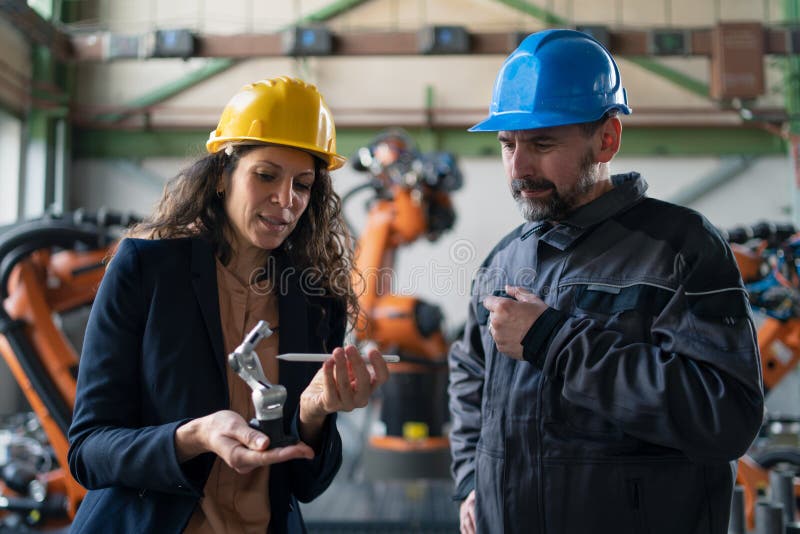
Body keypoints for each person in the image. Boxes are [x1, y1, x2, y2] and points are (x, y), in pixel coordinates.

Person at [448, 29, 764, 534]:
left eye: (542, 142)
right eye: (508, 144)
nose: (519, 167)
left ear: (607, 138)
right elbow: (468, 374)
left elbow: (725, 418)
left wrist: (554, 340)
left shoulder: (681, 248)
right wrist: (470, 481)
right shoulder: (505, 260)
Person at [67, 76, 390, 533]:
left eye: (303, 184)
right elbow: (88, 450)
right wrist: (193, 437)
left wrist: (315, 415)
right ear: (222, 175)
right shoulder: (147, 271)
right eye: (266, 175)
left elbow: (306, 484)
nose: (286, 200)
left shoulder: (317, 300)